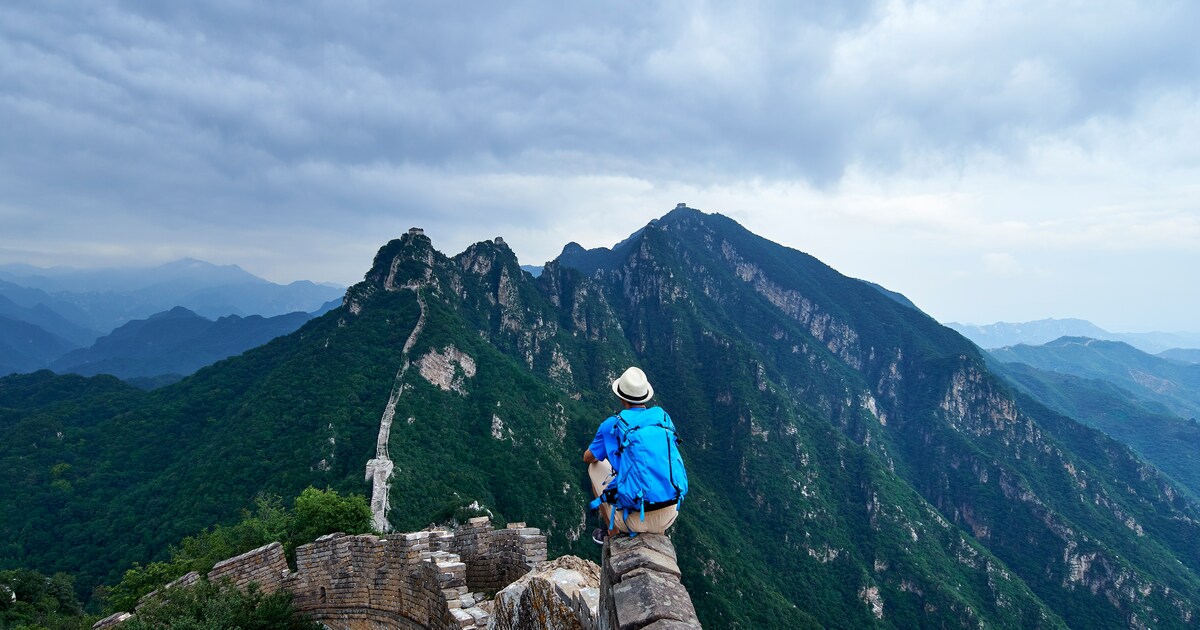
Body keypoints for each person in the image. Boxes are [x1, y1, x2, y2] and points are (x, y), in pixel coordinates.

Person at [583, 366, 680, 543]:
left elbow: (588, 457)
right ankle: (658, 535)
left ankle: (611, 534)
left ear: (621, 397)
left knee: (594, 467)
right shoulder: (662, 420)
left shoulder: (611, 425)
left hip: (634, 521)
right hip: (669, 513)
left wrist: (610, 452)